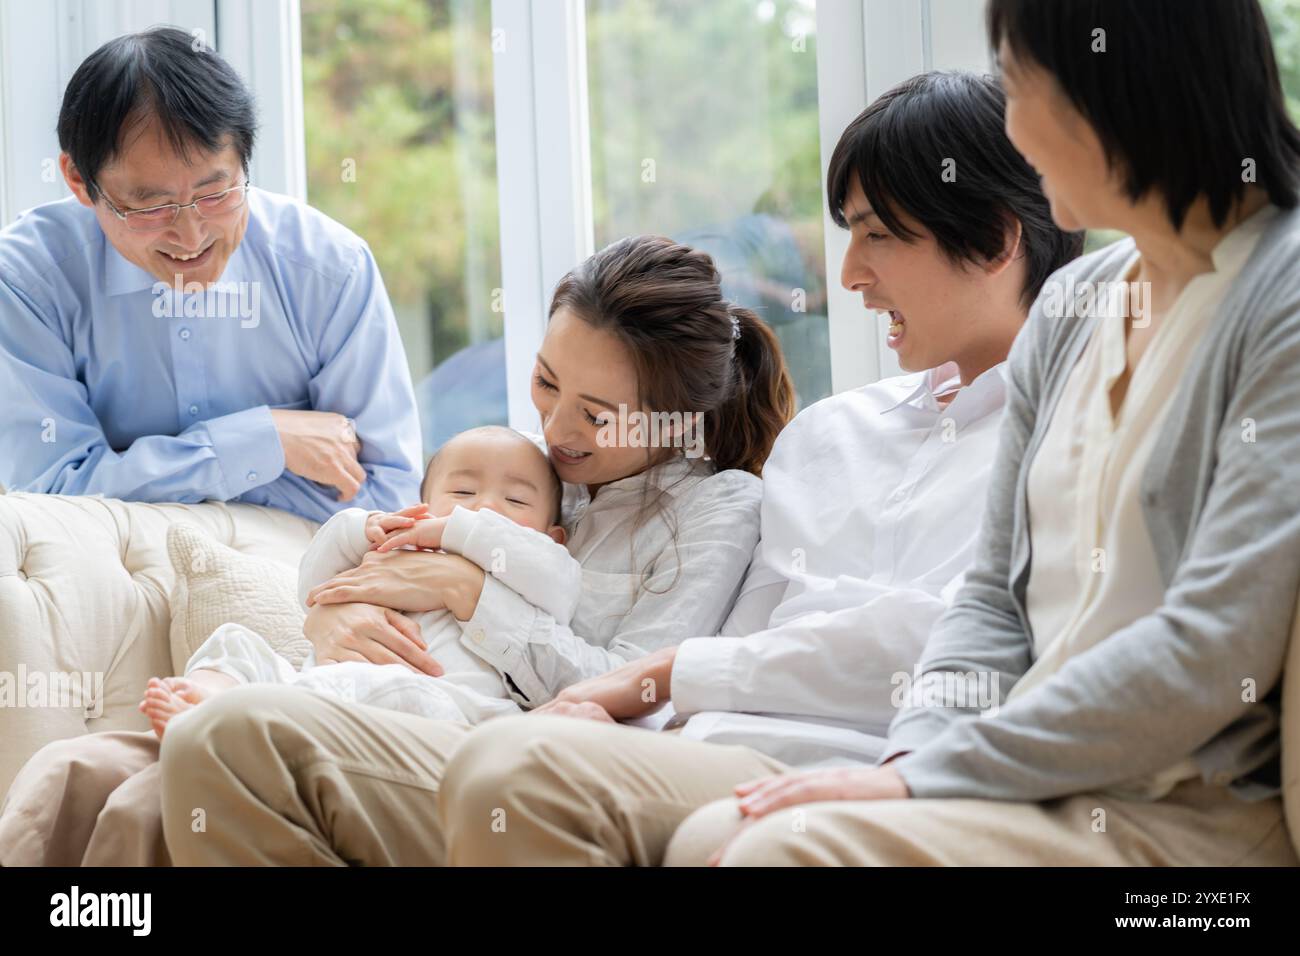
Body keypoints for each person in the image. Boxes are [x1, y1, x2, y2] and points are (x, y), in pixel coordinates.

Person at [165, 71, 1081, 866]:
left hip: (809, 754)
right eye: (847, 234)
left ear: (998, 241)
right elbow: (736, 638)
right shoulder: (828, 436)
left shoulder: (1074, 430)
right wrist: (355, 614)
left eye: (879, 235)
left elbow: (951, 642)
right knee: (177, 766)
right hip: (679, 741)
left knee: (465, 765)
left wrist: (645, 680)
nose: (848, 275)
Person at [664, 0, 1300, 867]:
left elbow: (1217, 639)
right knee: (718, 835)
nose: (1013, 129)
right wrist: (911, 759)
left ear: (1116, 86)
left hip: (1187, 817)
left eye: (1024, 87)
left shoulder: (1281, 292)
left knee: (769, 856)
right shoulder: (1076, 308)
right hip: (1033, 782)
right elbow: (992, 600)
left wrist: (925, 779)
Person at [0, 233, 794, 865]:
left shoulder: (719, 507)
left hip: (490, 736)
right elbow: (376, 558)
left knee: (151, 802)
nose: (554, 431)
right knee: (79, 774)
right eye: (547, 382)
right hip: (370, 689)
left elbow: (635, 695)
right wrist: (329, 622)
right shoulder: (537, 470)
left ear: (672, 418)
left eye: (595, 413)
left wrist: (468, 594)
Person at [0, 26, 421, 521]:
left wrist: (138, 476)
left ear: (244, 160)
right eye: (150, 205)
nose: (191, 234)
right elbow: (49, 494)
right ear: (78, 180)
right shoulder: (27, 282)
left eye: (215, 194)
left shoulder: (328, 269)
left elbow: (384, 498)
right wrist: (262, 444)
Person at [140, 426, 577, 736]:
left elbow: (556, 580)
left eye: (515, 499)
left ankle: (252, 721)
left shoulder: (537, 570)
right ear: (421, 506)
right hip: (326, 685)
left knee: (387, 689)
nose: (484, 506)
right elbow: (314, 588)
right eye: (462, 494)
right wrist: (359, 528)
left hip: (450, 706)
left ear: (553, 535)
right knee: (236, 643)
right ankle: (203, 701)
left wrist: (462, 529)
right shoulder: (405, 549)